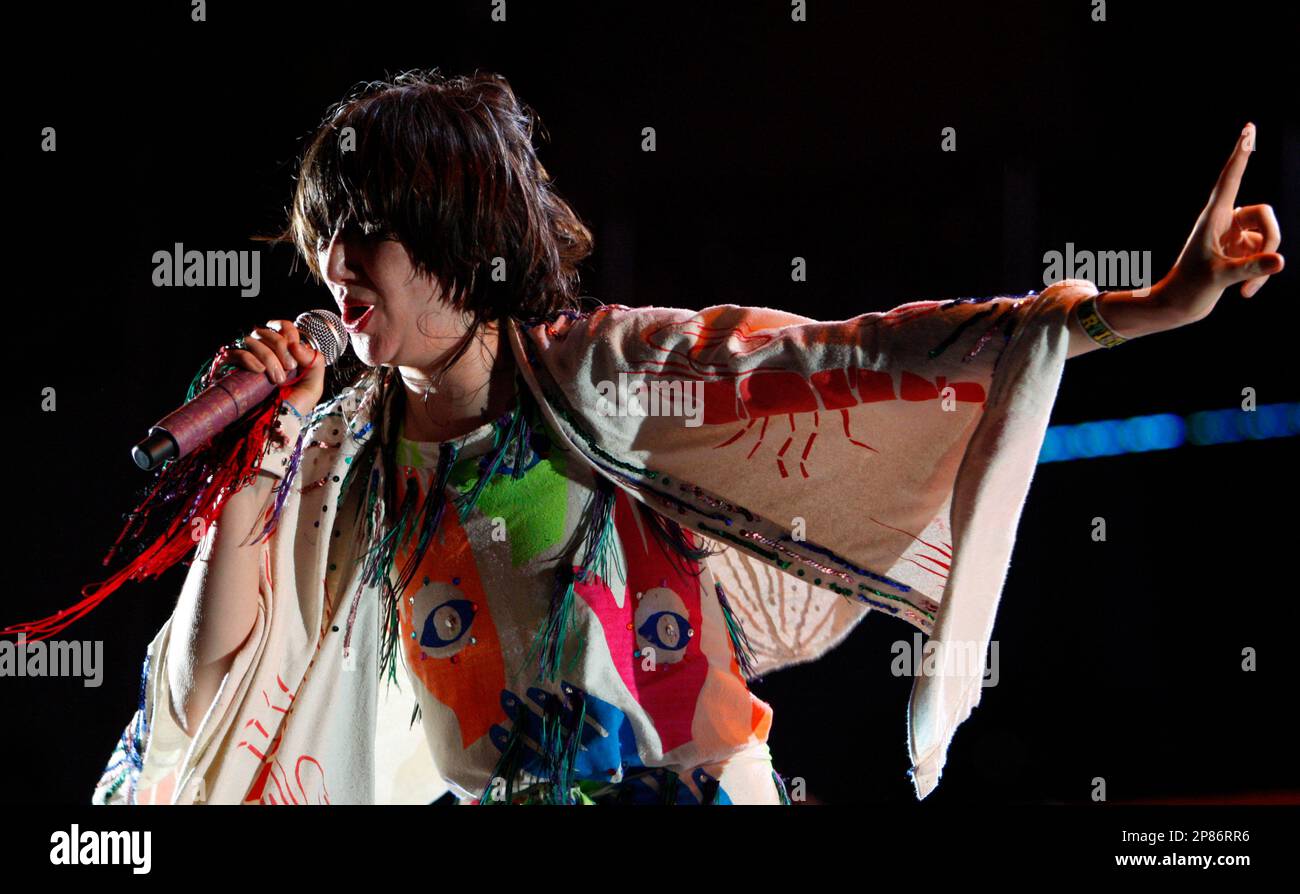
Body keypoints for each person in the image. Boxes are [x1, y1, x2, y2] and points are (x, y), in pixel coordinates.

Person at [12, 70, 1280, 804]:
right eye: (324, 230)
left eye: (369, 225)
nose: (337, 257)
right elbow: (217, 682)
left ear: (460, 236)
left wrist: (1148, 307)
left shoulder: (603, 375)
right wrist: (255, 457)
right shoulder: (339, 451)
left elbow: (860, 357)